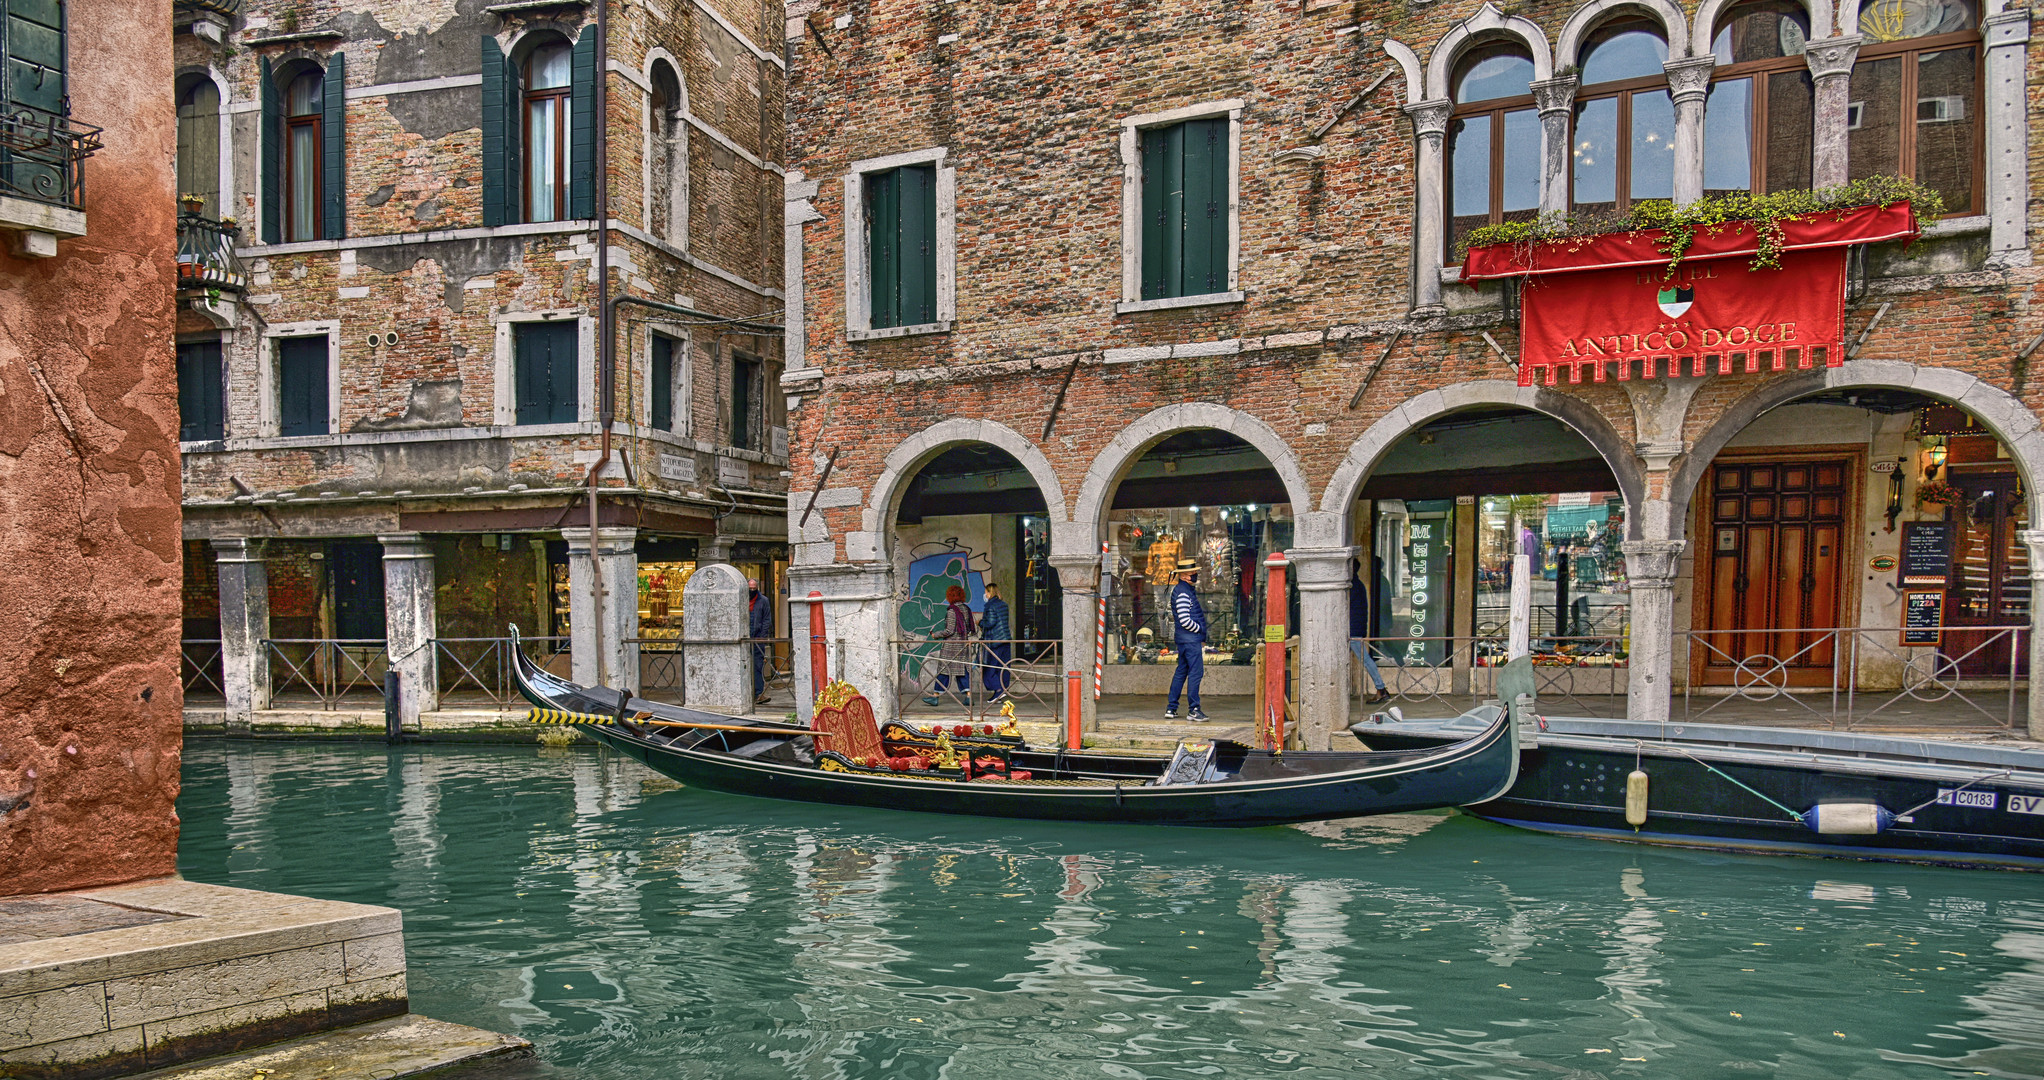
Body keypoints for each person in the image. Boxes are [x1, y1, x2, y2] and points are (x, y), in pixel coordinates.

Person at [1165, 558, 1209, 722]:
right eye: (1192, 573)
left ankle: (1171, 708)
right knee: (1195, 673)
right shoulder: (1183, 592)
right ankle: (1194, 709)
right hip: (1190, 640)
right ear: (1183, 576)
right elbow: (1184, 619)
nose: (1195, 575)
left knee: (1181, 672)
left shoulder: (1181, 590)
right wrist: (1199, 629)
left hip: (1184, 640)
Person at [925, 583, 976, 707]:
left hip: (952, 646)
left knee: (944, 670)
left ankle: (935, 697)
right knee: (962, 671)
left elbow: (949, 630)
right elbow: (970, 627)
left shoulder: (952, 610)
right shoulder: (966, 609)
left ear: (950, 596)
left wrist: (935, 635)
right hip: (963, 645)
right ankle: (969, 697)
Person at [1348, 561, 1390, 705]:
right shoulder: (1356, 584)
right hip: (1354, 628)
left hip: (1352, 630)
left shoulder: (1352, 585)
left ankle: (1381, 688)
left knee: (1365, 660)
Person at [979, 581, 1012, 700]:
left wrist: (980, 623)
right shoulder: (1004, 604)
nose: (985, 595)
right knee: (1003, 667)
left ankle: (998, 689)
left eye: (986, 593)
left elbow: (991, 622)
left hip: (995, 640)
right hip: (1006, 639)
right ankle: (1002, 690)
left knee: (989, 667)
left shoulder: (990, 605)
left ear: (989, 592)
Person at [747, 578, 773, 705]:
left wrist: (762, 636)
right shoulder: (742, 600)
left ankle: (758, 693)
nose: (752, 590)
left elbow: (767, 619)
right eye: (750, 588)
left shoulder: (763, 601)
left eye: (754, 588)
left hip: (758, 638)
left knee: (757, 665)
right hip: (745, 637)